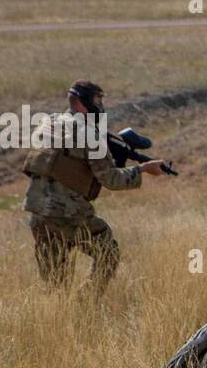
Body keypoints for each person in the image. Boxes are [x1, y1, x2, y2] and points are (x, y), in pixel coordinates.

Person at [21, 80, 169, 295]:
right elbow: (111, 180)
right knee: (108, 253)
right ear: (86, 101)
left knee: (54, 281)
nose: (101, 105)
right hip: (69, 213)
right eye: (98, 100)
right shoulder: (89, 134)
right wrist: (143, 169)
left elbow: (62, 160)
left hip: (38, 211)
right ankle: (85, 302)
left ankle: (56, 313)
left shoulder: (49, 123)